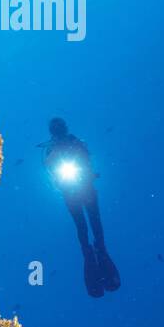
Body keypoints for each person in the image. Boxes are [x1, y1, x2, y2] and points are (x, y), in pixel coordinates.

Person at [43, 118, 120, 298]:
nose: (59, 133)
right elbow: (49, 168)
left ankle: (100, 247)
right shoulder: (50, 149)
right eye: (56, 131)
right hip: (69, 191)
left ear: (64, 129)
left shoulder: (75, 141)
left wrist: (89, 171)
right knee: (81, 225)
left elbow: (87, 157)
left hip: (86, 185)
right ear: (53, 133)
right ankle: (87, 250)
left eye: (60, 129)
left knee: (95, 221)